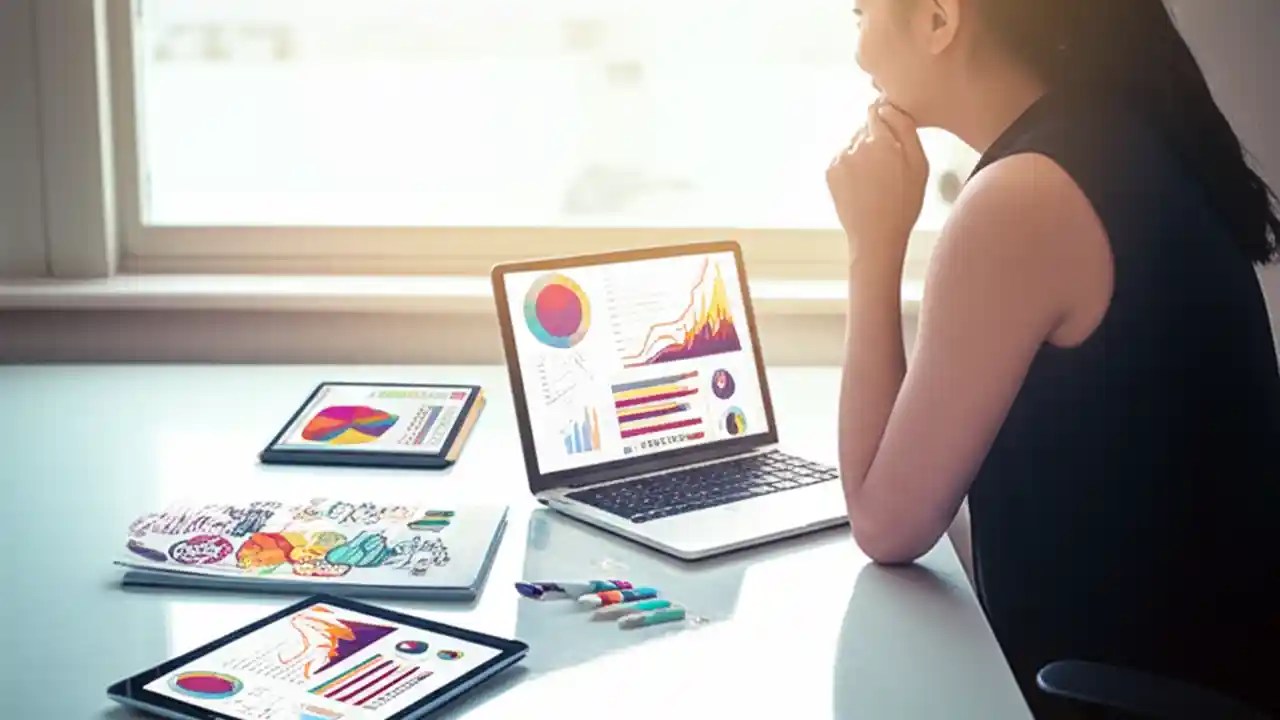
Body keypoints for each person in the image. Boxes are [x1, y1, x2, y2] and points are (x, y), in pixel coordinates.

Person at [825, 0, 1280, 715]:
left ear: (940, 20)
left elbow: (885, 524)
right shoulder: (1119, 143)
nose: (857, 52)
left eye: (860, 13)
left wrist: (871, 248)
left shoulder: (1021, 201)